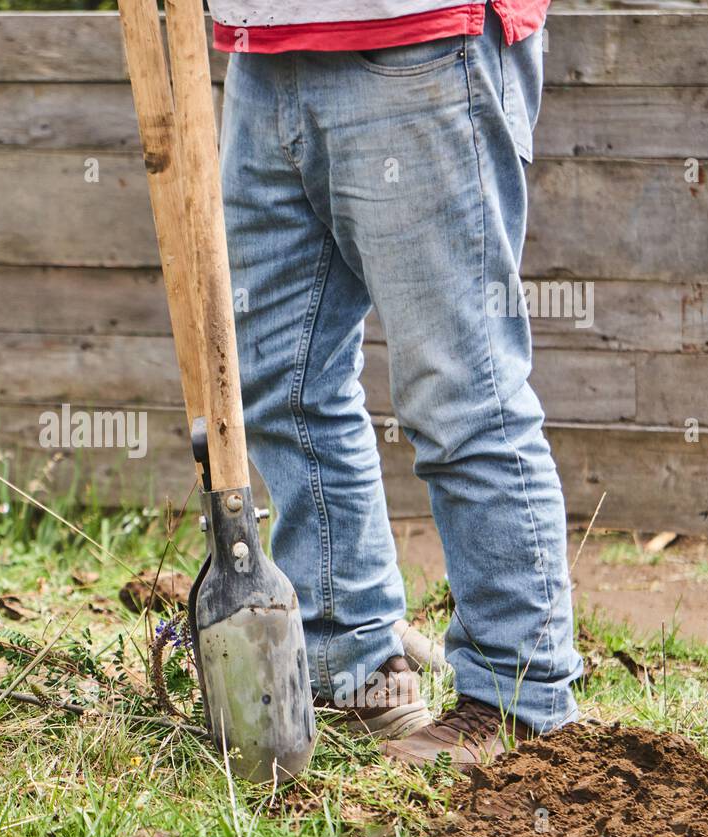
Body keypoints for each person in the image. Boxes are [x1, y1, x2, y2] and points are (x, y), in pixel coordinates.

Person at [212, 0, 583, 766]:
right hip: (263, 48)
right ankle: (356, 670)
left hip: (422, 39)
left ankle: (521, 701)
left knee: (462, 392)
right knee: (282, 382)